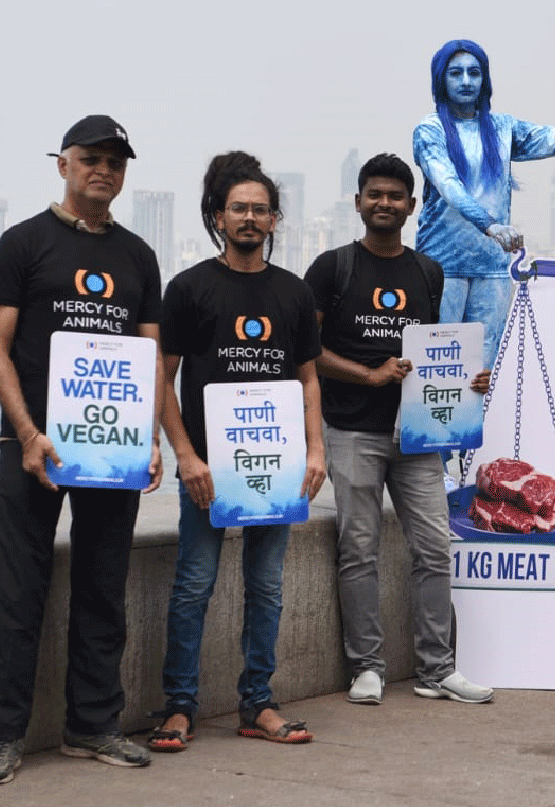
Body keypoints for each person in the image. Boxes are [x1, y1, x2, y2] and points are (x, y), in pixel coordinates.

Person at [0, 115, 164, 784]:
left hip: (111, 451)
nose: (103, 171)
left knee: (103, 591)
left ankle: (93, 725)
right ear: (64, 163)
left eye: (116, 162)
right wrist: (27, 433)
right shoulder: (23, 244)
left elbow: (147, 356)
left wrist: (152, 439)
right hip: (31, 447)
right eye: (91, 159)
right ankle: (0, 738)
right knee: (17, 594)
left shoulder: (138, 255)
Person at [149, 152, 326, 753]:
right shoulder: (190, 288)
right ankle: (178, 707)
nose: (250, 218)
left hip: (276, 468)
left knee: (267, 587)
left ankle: (258, 703)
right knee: (194, 586)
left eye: (260, 209)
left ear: (275, 219)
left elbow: (306, 379)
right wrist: (185, 455)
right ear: (218, 217)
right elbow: (161, 377)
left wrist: (316, 451)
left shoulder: (294, 293)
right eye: (238, 209)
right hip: (208, 472)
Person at [305, 153, 492, 708]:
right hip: (352, 431)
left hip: (417, 436)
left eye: (395, 196)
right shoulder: (332, 267)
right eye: (375, 194)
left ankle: (438, 669)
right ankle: (367, 667)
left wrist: (466, 381)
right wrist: (368, 374)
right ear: (359, 201)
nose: (385, 204)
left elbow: (434, 352)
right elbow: (306, 353)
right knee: (358, 550)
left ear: (411, 206)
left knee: (435, 547)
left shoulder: (426, 272)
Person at [414, 40, 555, 365]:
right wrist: (490, 224)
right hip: (443, 270)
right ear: (441, 80)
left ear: (485, 79)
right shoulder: (430, 130)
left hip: (493, 272)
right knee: (436, 372)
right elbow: (449, 186)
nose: (467, 81)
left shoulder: (502, 129)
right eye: (456, 73)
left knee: (479, 380)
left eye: (475, 72)